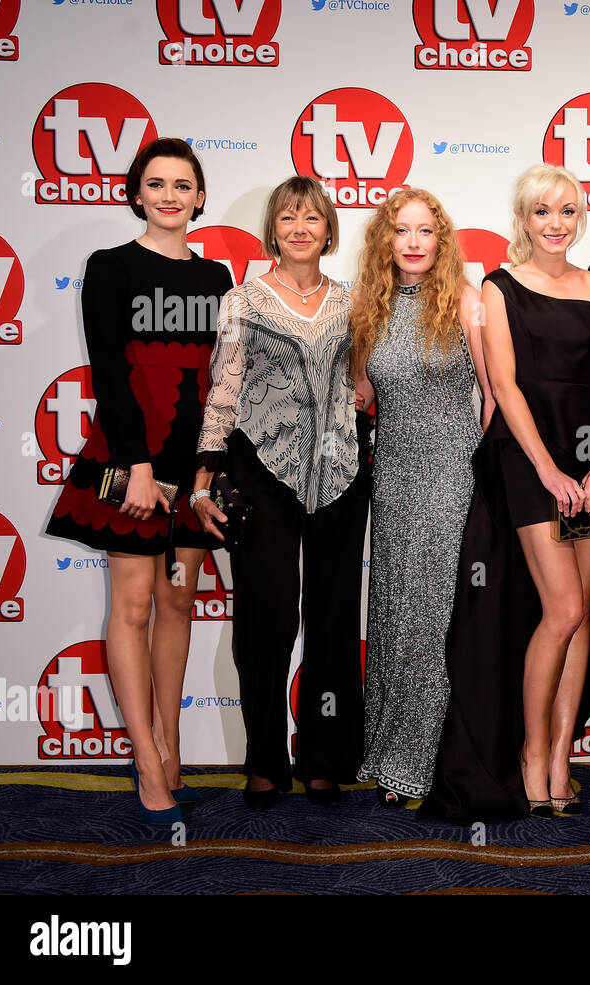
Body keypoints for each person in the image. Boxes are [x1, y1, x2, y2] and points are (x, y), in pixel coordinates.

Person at [419, 163, 590, 822]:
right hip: (528, 458)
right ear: (524, 219)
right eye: (543, 211)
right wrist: (548, 469)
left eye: (567, 210)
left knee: (584, 612)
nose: (556, 223)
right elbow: (505, 387)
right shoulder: (499, 286)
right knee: (562, 608)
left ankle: (563, 757)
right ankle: (531, 755)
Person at [46, 137, 232, 824]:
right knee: (132, 605)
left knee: (176, 600)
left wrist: (204, 471)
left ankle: (171, 745)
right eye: (156, 184)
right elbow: (109, 371)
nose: (170, 196)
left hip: (191, 465)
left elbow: (222, 381)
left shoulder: (217, 278)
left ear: (200, 196)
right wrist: (138, 469)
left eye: (183, 185)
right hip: (129, 463)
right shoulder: (111, 267)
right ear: (136, 194)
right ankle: (147, 764)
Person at [192, 176, 369, 810]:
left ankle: (325, 755)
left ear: (329, 230)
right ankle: (265, 757)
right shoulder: (243, 300)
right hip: (261, 471)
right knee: (265, 619)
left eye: (312, 218)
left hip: (343, 473)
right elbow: (224, 388)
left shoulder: (354, 301)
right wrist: (205, 476)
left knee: (332, 615)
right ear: (274, 229)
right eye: (288, 217)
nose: (299, 227)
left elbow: (363, 385)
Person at [349, 189, 494, 807]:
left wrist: (485, 475)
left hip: (453, 473)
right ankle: (385, 756)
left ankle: (431, 761)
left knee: (435, 617)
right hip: (394, 475)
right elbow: (359, 395)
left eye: (424, 231)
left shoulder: (467, 300)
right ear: (384, 238)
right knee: (390, 614)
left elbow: (493, 396)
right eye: (400, 230)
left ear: (442, 240)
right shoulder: (366, 309)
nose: (412, 241)